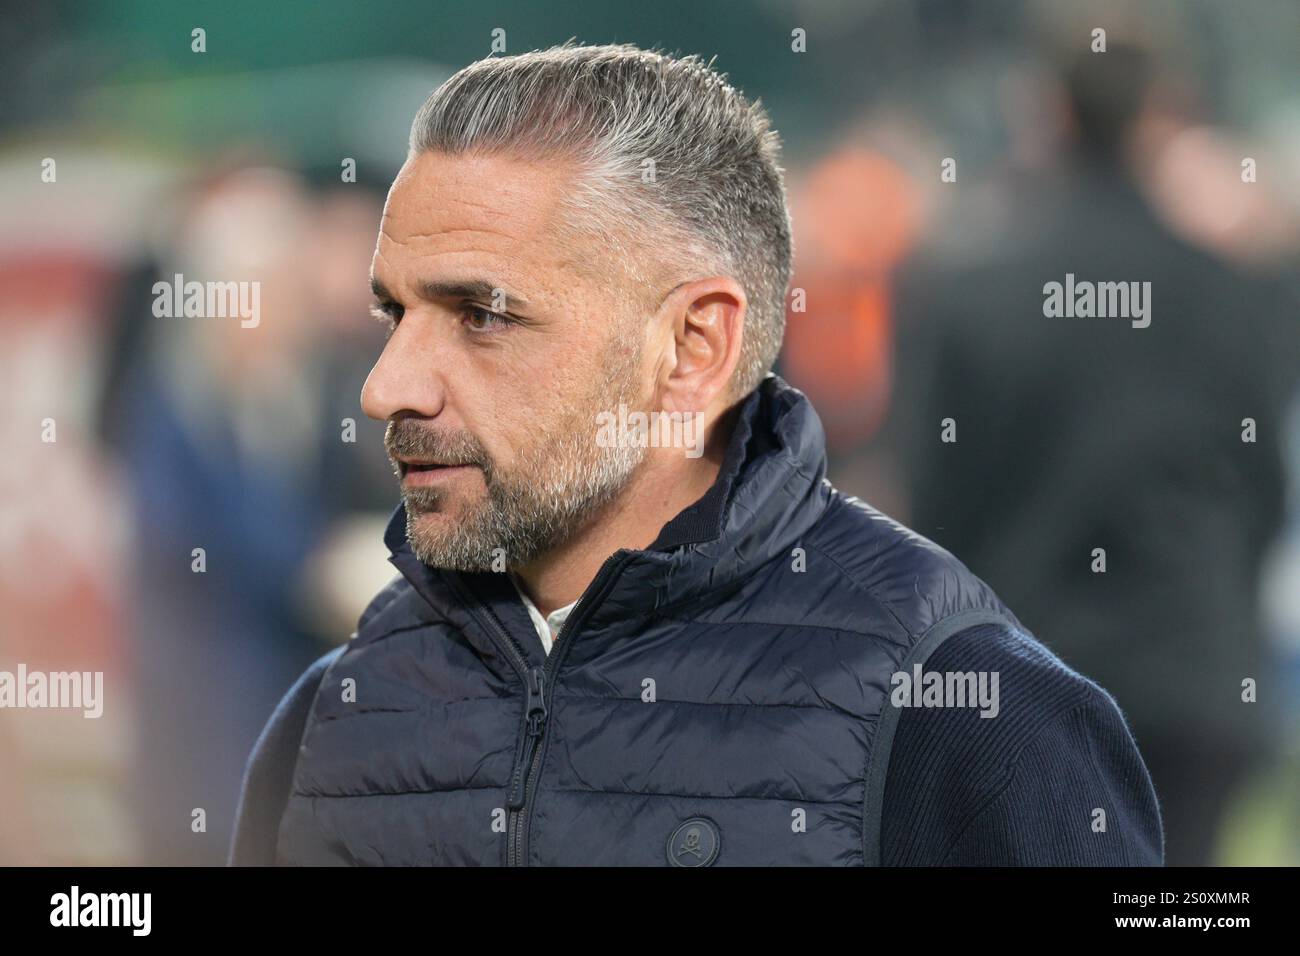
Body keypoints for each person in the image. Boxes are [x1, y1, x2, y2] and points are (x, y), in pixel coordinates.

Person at [230, 42, 1161, 866]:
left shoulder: (969, 721)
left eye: (481, 315)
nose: (387, 386)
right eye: (394, 313)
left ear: (693, 349)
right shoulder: (337, 716)